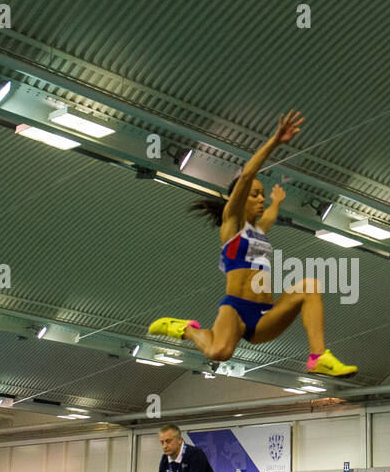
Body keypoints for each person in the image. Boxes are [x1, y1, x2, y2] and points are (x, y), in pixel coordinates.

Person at [147, 111, 357, 378]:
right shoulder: (232, 225)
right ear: (240, 197)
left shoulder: (259, 231)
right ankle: (186, 328)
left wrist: (277, 201)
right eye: (255, 195)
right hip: (235, 308)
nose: (261, 200)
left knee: (309, 286)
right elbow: (246, 176)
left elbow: (268, 216)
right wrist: (276, 141)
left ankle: (319, 357)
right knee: (218, 353)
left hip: (264, 315)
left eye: (262, 196)